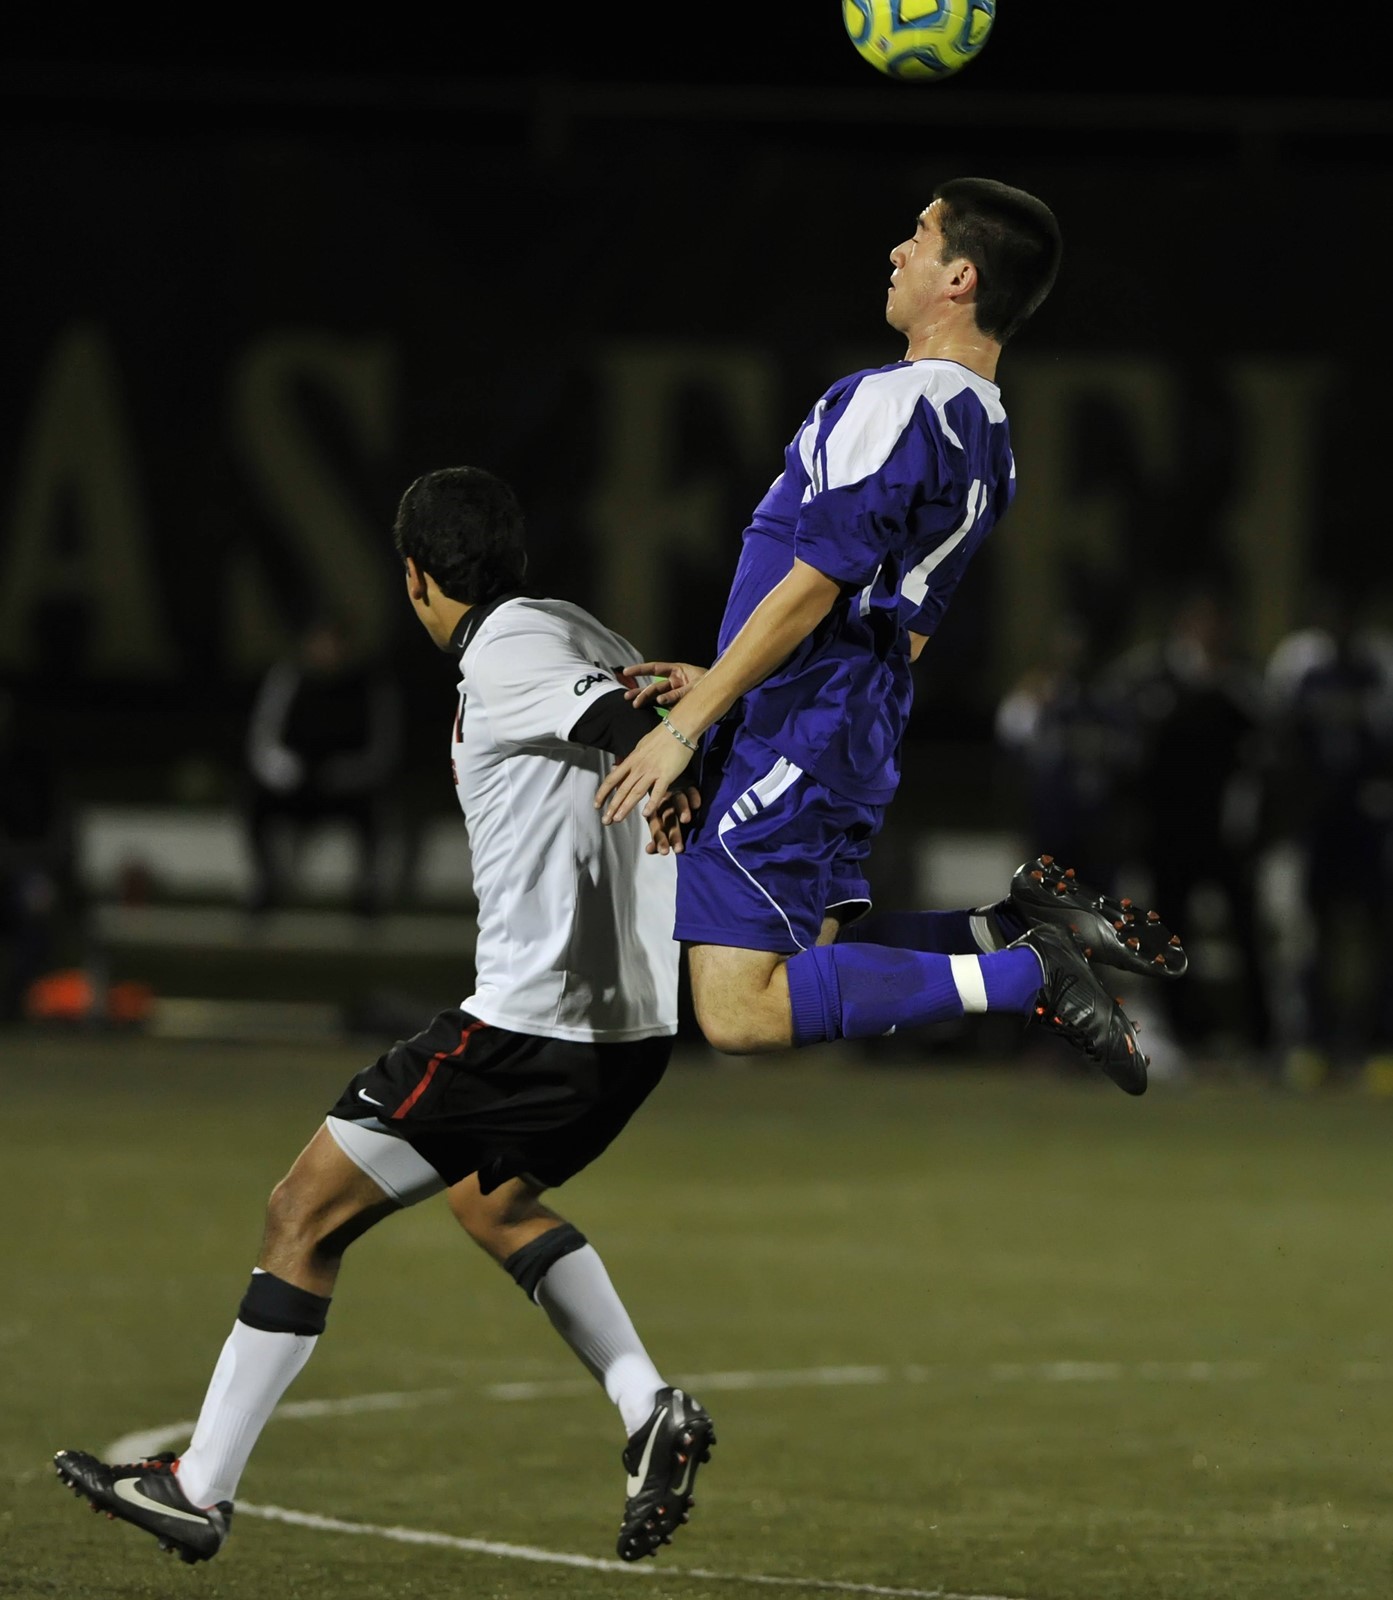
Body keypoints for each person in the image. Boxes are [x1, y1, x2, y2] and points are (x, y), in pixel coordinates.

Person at [54, 467, 714, 1567]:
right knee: (491, 1203)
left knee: (301, 1213)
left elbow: (620, 723)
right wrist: (680, 760)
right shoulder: (583, 630)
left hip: (530, 1024)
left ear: (413, 578)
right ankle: (648, 1406)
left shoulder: (508, 646)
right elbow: (644, 722)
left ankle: (198, 1488)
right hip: (630, 1030)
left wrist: (670, 757)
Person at [596, 178, 1186, 1088]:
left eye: (919, 234)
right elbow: (901, 626)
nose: (896, 251)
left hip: (799, 725)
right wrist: (729, 683)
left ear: (959, 277)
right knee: (808, 957)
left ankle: (1028, 972)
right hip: (849, 721)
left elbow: (814, 584)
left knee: (740, 1011)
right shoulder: (988, 429)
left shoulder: (897, 399)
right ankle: (1010, 929)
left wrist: (691, 725)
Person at [242, 614, 404, 917]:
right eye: (320, 642)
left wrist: (348, 774)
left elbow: (383, 749)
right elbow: (263, 739)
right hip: (295, 781)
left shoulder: (370, 685)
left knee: (375, 810)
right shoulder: (288, 679)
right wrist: (286, 771)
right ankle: (266, 883)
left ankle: (366, 892)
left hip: (349, 784)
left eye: (333, 643)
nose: (326, 650)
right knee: (254, 801)